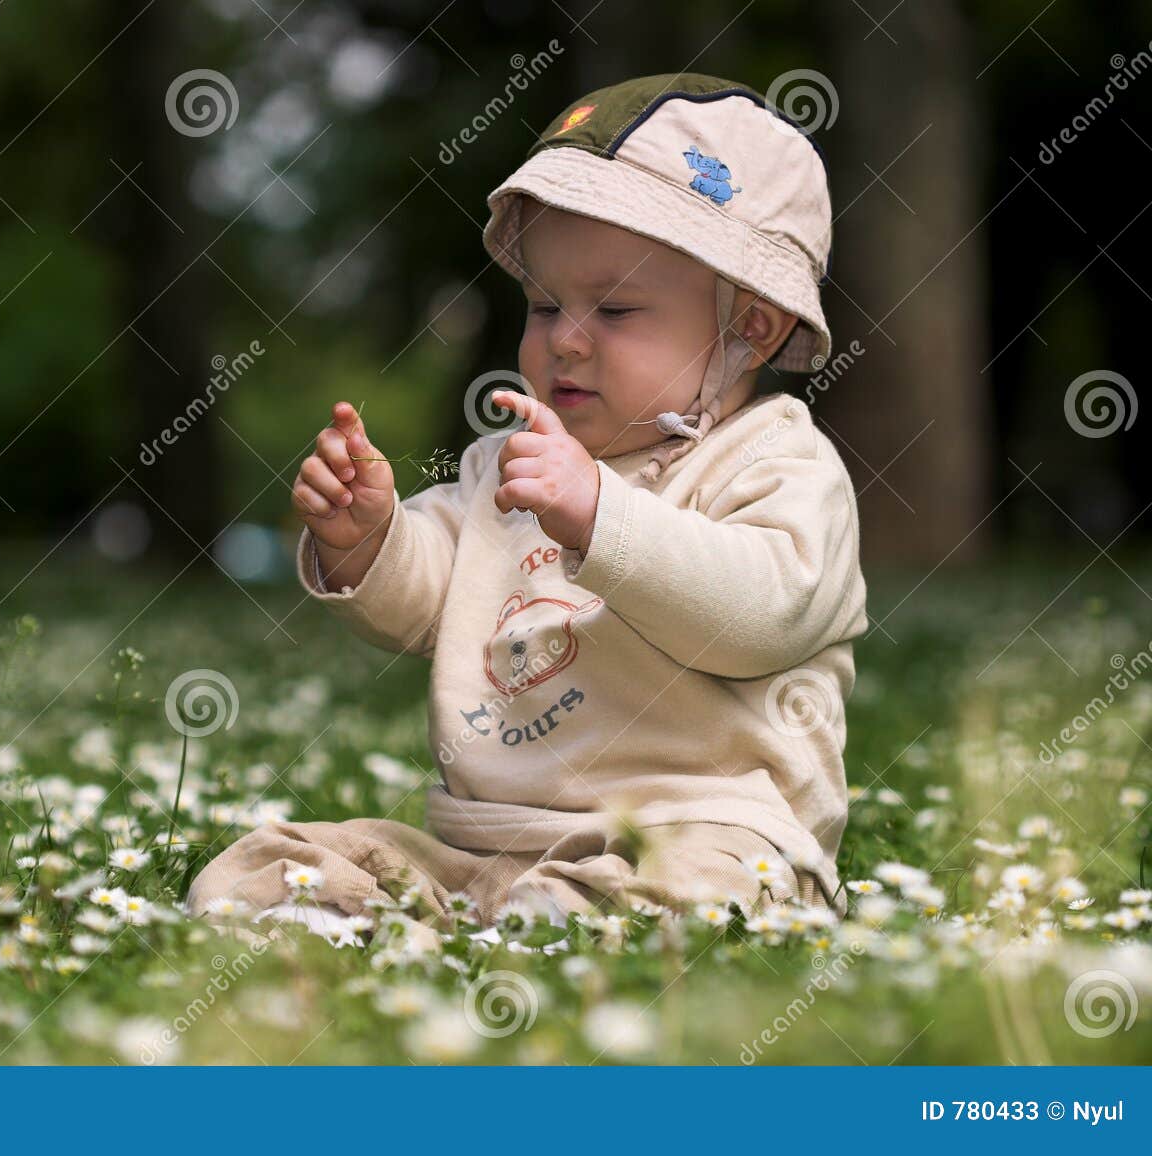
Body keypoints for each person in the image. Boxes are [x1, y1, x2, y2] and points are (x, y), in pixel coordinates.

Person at [187, 73, 867, 943]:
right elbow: (426, 597)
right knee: (273, 859)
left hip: (710, 826)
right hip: (492, 846)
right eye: (545, 305)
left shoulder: (779, 462)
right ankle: (433, 918)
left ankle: (569, 924)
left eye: (616, 309)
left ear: (753, 329)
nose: (566, 338)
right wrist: (368, 543)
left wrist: (601, 517)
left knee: (708, 885)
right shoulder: (504, 470)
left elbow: (764, 612)